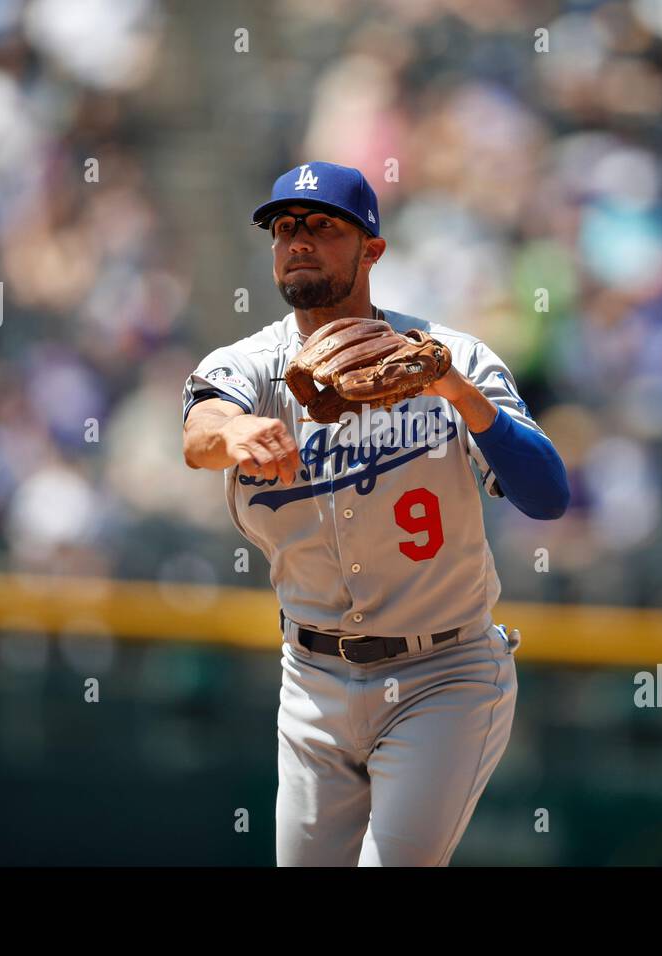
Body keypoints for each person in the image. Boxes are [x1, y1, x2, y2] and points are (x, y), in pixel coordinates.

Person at [182, 161, 569, 866]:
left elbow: (547, 496)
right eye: (284, 228)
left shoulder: (451, 360)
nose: (298, 241)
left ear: (372, 251)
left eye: (323, 226)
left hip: (444, 674)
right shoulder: (252, 368)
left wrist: (454, 388)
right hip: (311, 681)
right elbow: (200, 430)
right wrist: (233, 433)